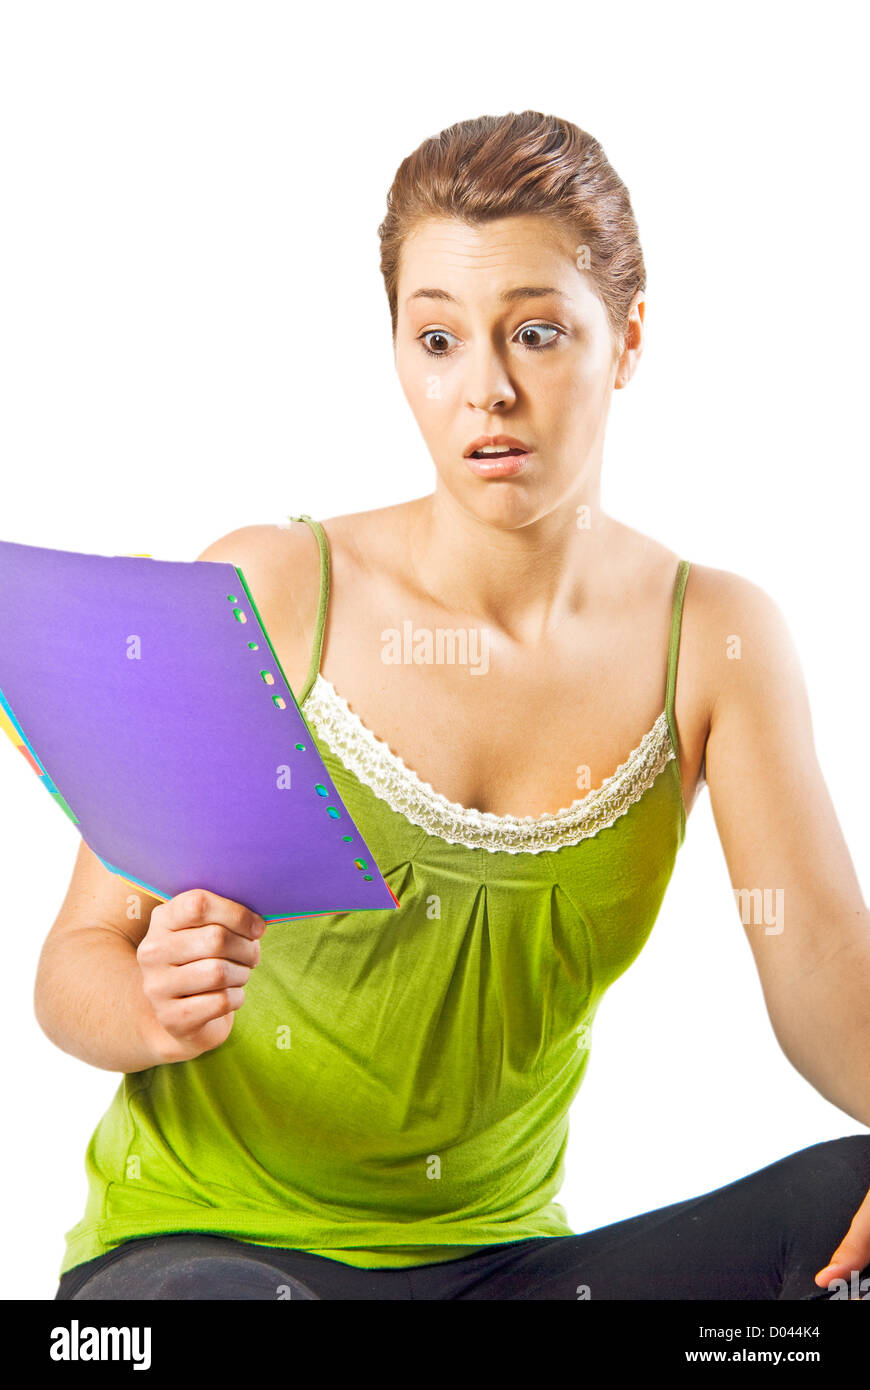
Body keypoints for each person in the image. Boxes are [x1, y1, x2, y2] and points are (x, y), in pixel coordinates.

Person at [42, 111, 870, 1301]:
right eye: (437, 339)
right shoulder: (268, 594)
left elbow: (826, 971)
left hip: (503, 1273)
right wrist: (147, 1003)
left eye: (536, 333)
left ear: (627, 341)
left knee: (847, 1209)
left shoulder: (716, 642)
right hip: (202, 1256)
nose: (484, 389)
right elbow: (76, 965)